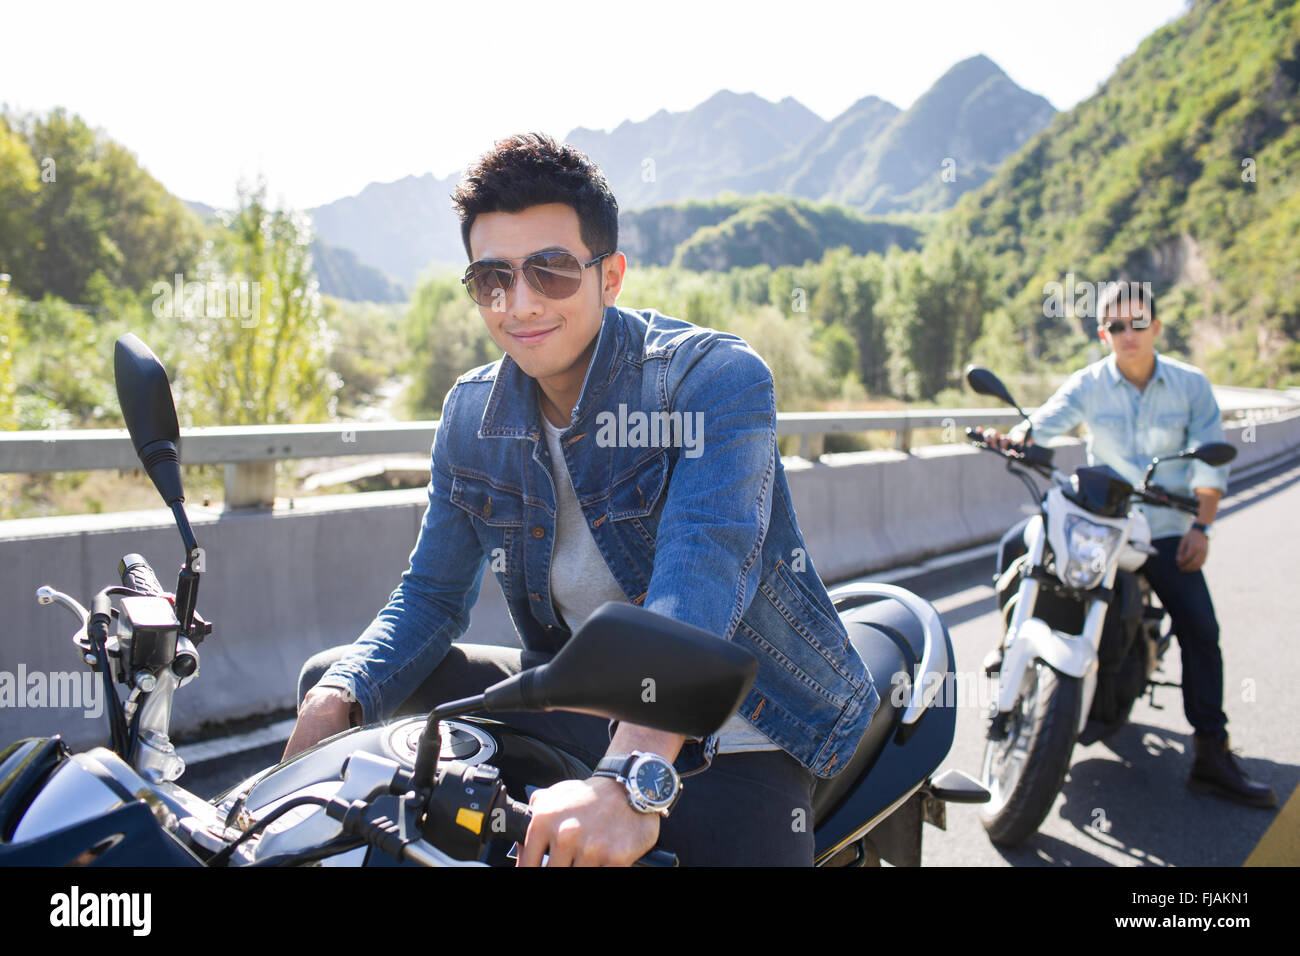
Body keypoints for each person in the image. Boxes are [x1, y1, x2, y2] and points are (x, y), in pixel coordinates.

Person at [282, 133, 882, 865]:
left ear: (613, 275)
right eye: (492, 278)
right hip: (582, 697)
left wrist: (630, 780)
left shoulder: (712, 380)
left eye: (553, 271)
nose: (520, 303)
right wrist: (338, 696)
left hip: (741, 725)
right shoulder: (471, 415)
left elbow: (701, 581)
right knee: (337, 689)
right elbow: (432, 597)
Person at [979, 283, 1276, 808]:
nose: (1128, 335)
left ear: (1156, 328)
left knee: (1201, 628)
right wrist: (1012, 436)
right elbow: (1044, 422)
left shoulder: (1190, 385)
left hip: (1162, 527)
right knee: (1016, 546)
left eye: (1138, 323)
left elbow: (1211, 465)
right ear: (1104, 333)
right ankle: (1010, 651)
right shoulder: (1089, 382)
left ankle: (1212, 751)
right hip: (1099, 518)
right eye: (1116, 327)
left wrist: (1200, 528)